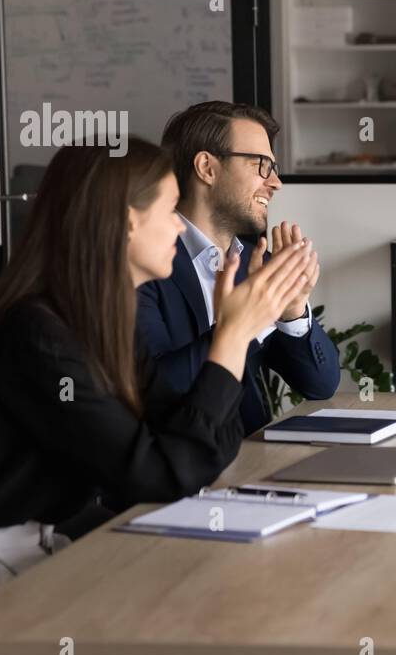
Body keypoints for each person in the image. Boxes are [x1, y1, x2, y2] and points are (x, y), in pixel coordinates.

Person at [0, 140, 309, 618]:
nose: (178, 226)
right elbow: (164, 475)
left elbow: (195, 451)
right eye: (171, 210)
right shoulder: (36, 334)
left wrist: (236, 335)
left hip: (32, 556)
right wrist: (230, 338)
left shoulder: (105, 326)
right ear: (127, 220)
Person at [137, 102, 340, 435]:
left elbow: (321, 385)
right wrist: (248, 322)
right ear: (207, 168)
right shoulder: (143, 263)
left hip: (250, 458)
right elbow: (155, 388)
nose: (276, 183)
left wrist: (291, 311)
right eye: (261, 165)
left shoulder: (253, 262)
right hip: (177, 467)